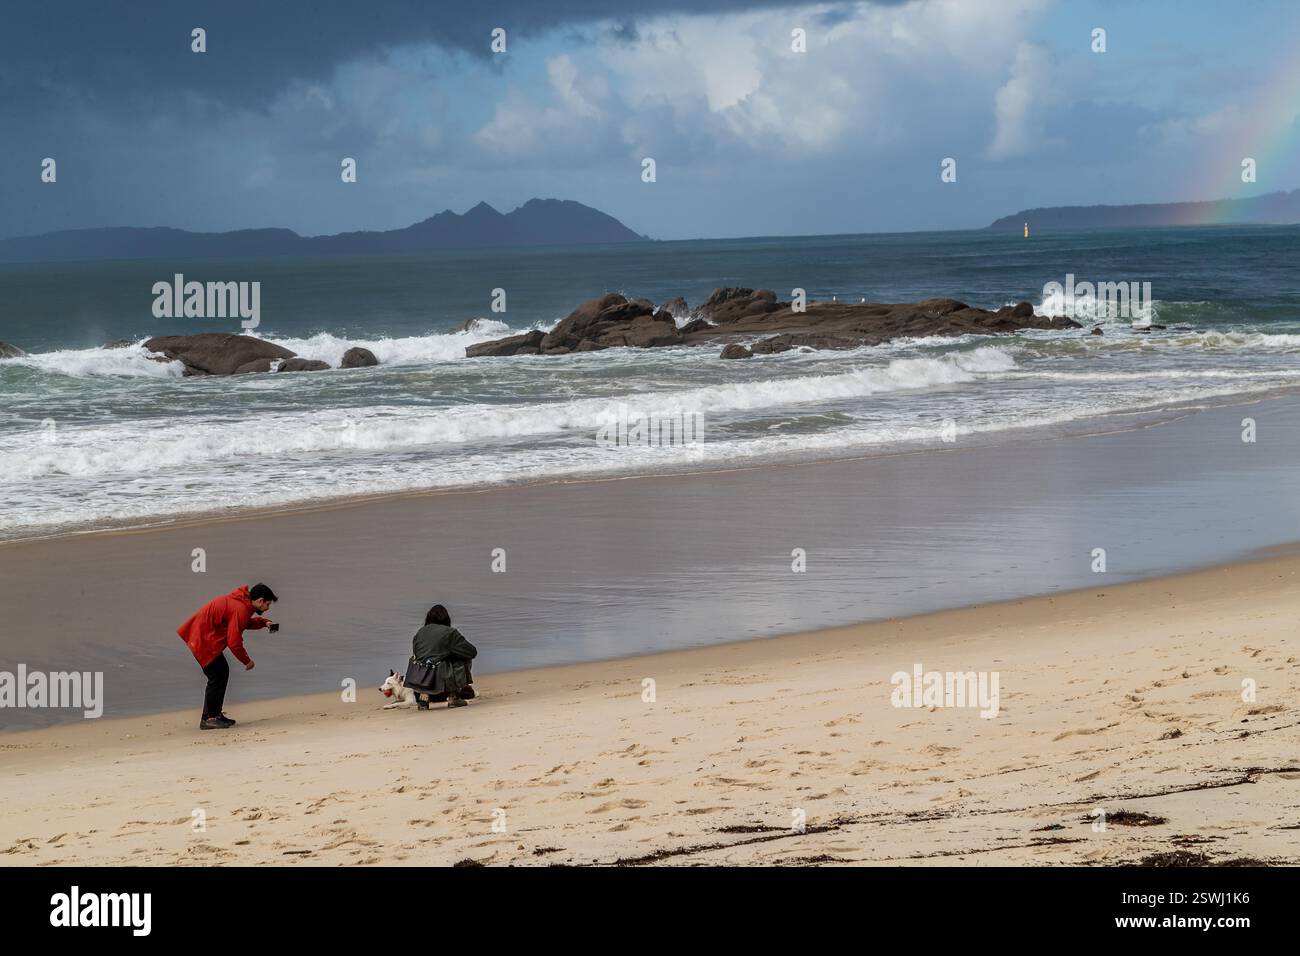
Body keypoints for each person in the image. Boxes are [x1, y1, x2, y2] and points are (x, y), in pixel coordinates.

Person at [177, 583, 278, 730]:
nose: (267, 608)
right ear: (260, 601)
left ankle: (213, 714)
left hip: (202, 636)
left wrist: (263, 623)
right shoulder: (241, 608)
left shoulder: (243, 603)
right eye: (267, 604)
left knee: (220, 673)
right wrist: (247, 661)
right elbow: (234, 642)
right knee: (217, 675)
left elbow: (240, 623)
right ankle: (210, 718)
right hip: (202, 639)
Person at [409, 604, 477, 709]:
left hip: (419, 678)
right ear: (446, 618)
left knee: (422, 660)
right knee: (463, 657)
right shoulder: (450, 633)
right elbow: (472, 652)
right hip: (441, 677)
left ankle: (424, 697)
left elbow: (418, 654)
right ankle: (453, 697)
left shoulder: (419, 633)